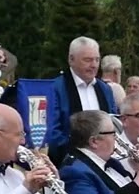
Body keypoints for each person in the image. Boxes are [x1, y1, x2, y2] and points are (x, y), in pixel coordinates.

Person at [47, 36, 118, 164]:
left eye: (97, 60)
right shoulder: (55, 88)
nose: (94, 65)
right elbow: (52, 132)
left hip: (105, 161)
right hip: (69, 162)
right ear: (71, 59)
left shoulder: (105, 89)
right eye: (88, 60)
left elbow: (113, 122)